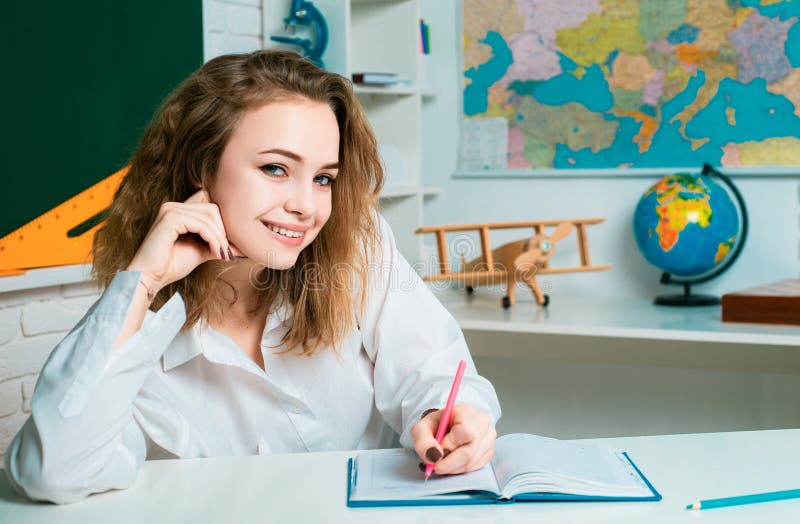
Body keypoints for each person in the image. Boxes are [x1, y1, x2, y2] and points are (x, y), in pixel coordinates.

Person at [4, 50, 500, 504]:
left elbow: (434, 371)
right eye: (275, 169)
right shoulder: (139, 334)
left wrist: (450, 415)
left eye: (323, 177)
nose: (306, 206)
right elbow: (54, 471)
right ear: (203, 167)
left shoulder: (358, 241)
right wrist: (144, 278)